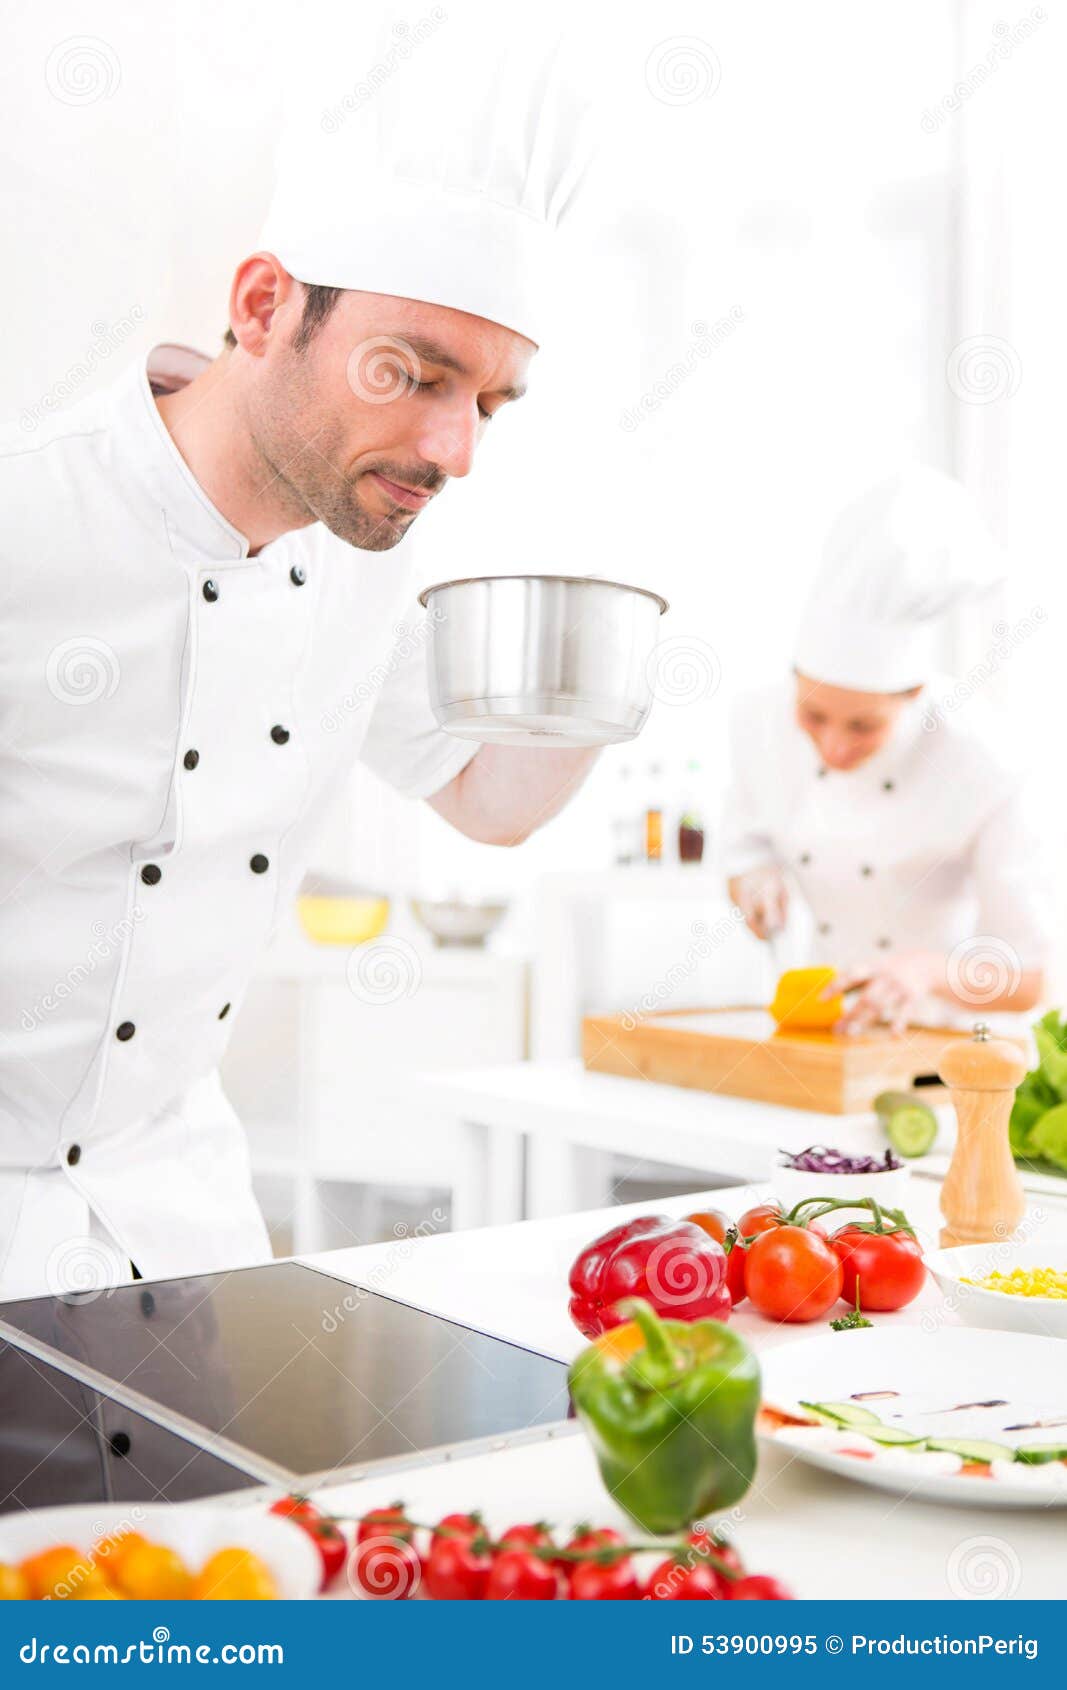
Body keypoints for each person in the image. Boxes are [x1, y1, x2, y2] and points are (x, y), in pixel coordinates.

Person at [0, 18, 599, 1298]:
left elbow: (484, 799)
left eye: (487, 403)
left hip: (186, 1236)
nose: (452, 451)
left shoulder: (359, 572)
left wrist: (597, 672)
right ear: (264, 304)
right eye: (412, 373)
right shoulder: (26, 521)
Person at [721, 467, 1048, 1034]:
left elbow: (1031, 976)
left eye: (863, 727)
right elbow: (744, 851)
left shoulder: (985, 762)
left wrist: (927, 972)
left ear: (914, 696)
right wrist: (754, 884)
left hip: (942, 1043)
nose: (832, 746)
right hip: (826, 1032)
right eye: (814, 715)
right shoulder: (758, 723)